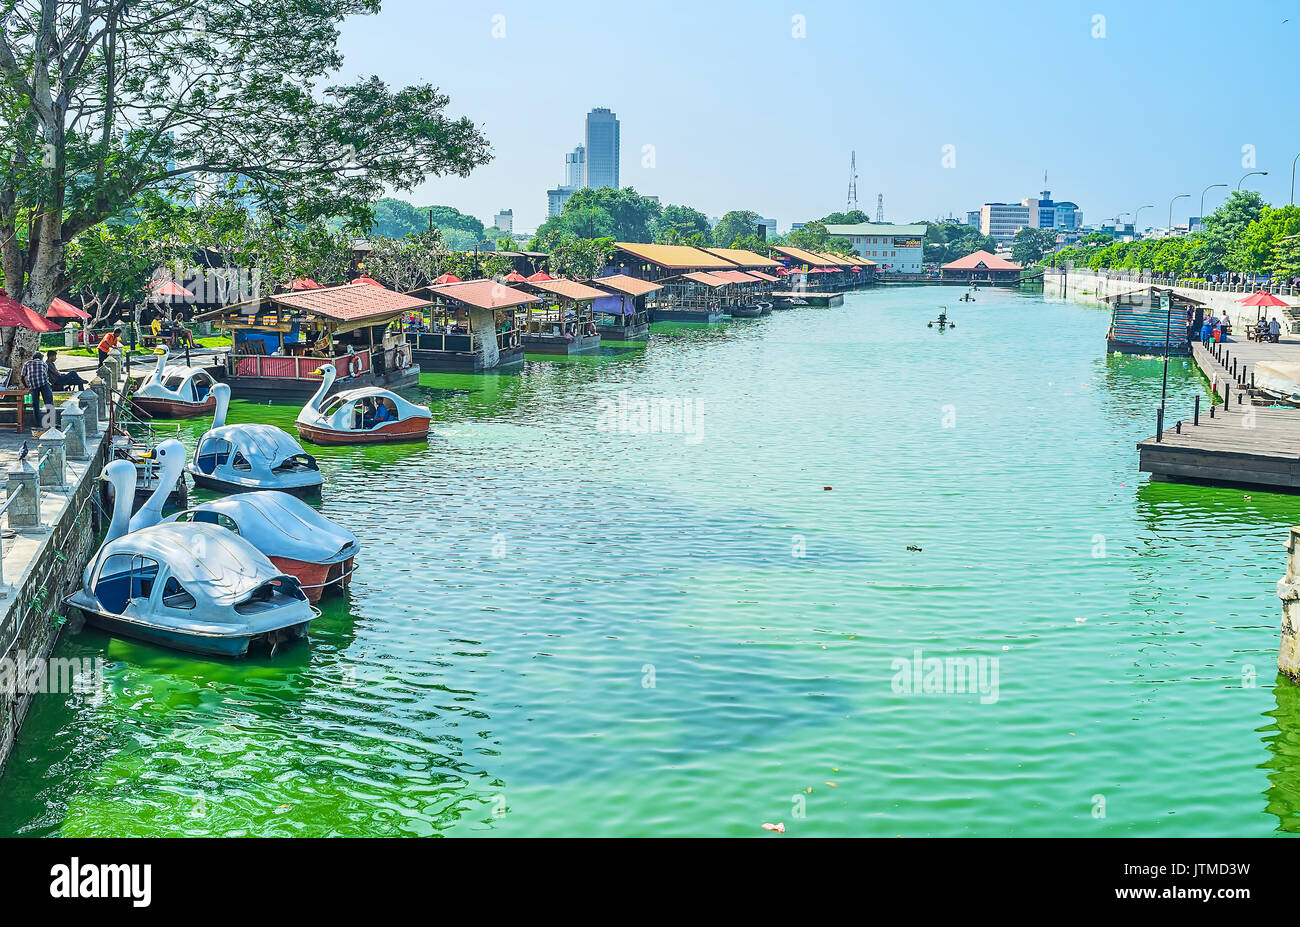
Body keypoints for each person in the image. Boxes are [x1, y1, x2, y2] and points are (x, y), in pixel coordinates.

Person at [20, 349, 53, 430]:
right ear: (41, 358)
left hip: (33, 385)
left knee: (35, 405)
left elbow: (22, 376)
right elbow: (45, 375)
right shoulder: (44, 364)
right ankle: (51, 423)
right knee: (49, 403)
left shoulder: (27, 363)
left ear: (33, 358)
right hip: (44, 384)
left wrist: (26, 386)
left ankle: (39, 423)